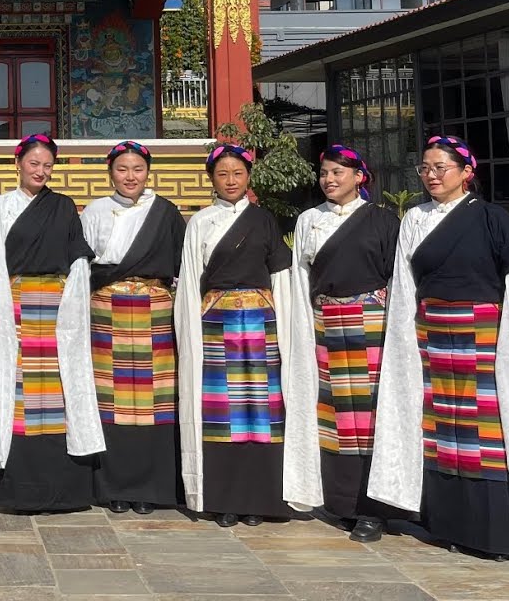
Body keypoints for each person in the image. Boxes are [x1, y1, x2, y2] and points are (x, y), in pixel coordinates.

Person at [369, 135, 509, 559]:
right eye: (425, 168)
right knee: (441, 426)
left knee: (485, 426)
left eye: (441, 168)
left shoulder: (492, 218)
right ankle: (445, 521)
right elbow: (404, 284)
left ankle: (494, 531)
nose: (431, 176)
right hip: (431, 335)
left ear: (467, 172)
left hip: (482, 336)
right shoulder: (414, 219)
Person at [284, 144, 402, 543]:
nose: (329, 180)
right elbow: (300, 278)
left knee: (368, 417)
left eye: (338, 172)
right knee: (333, 415)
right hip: (324, 325)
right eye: (324, 173)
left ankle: (373, 509)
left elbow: (397, 277)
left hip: (371, 324)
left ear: (359, 177)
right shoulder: (308, 221)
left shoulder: (384, 221)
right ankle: (338, 502)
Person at [175, 144, 295, 528]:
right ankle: (224, 499)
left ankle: (260, 499)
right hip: (214, 324)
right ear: (211, 179)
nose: (231, 181)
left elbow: (281, 278)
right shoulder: (200, 222)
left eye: (238, 174)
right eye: (223, 174)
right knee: (220, 412)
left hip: (261, 325)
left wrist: (287, 328)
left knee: (261, 413)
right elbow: (192, 280)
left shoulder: (264, 221)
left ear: (249, 178)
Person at [0, 134, 103, 512]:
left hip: (57, 308)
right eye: (34, 163)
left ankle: (64, 488)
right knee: (19, 392)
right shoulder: (1, 207)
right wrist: (2, 310)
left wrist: (72, 305)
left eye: (47, 166)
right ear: (17, 163)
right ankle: (20, 487)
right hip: (16, 306)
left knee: (60, 391)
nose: (40, 171)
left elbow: (79, 259)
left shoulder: (64, 206)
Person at [80, 140, 186, 515]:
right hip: (106, 312)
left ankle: (153, 488)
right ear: (110, 172)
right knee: (111, 401)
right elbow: (82, 269)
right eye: (122, 169)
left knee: (155, 402)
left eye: (137, 169)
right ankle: (113, 487)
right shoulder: (94, 211)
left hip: (154, 312)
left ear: (148, 172)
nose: (130, 176)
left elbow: (181, 267)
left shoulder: (166, 213)